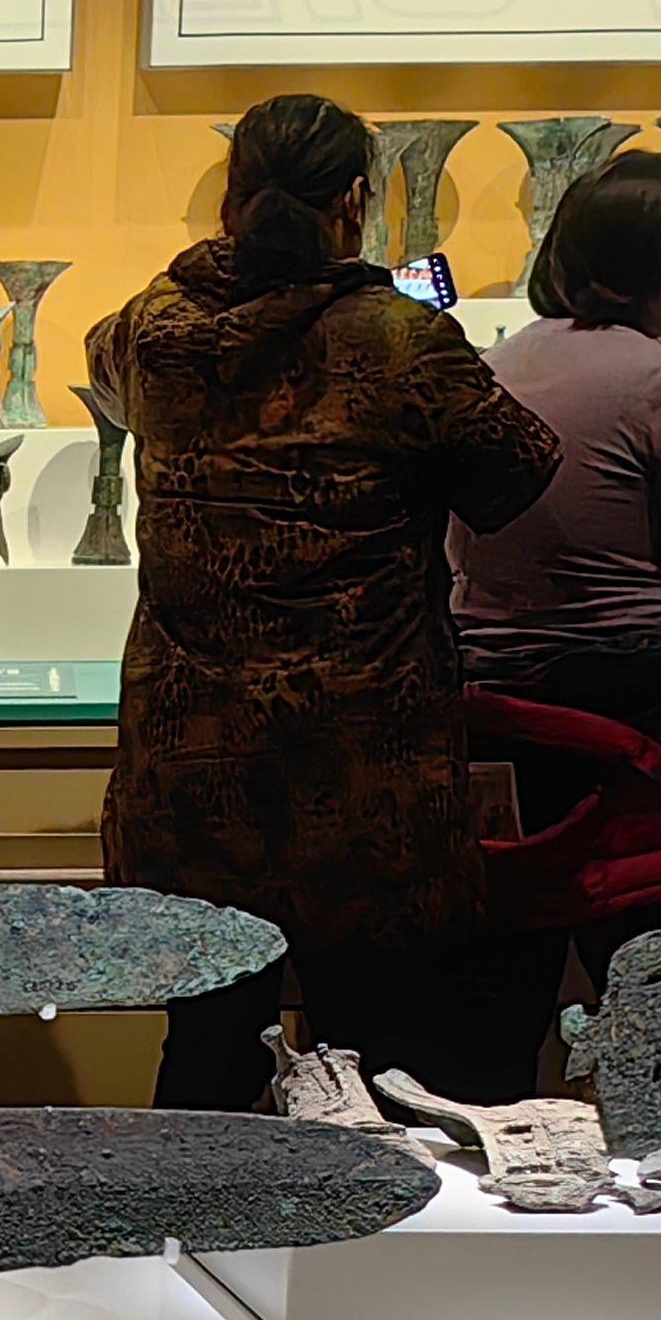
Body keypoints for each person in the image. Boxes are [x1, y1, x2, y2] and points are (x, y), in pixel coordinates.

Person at [91, 93, 560, 1111]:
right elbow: (519, 472)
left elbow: (105, 370)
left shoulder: (150, 329)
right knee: (385, 1067)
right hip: (363, 778)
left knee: (208, 1051)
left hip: (194, 770)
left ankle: (183, 1257)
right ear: (353, 201)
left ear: (229, 197)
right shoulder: (398, 340)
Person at [447, 153, 661, 1112]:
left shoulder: (495, 363)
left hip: (500, 723)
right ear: (642, 266)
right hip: (636, 740)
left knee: (491, 1038)